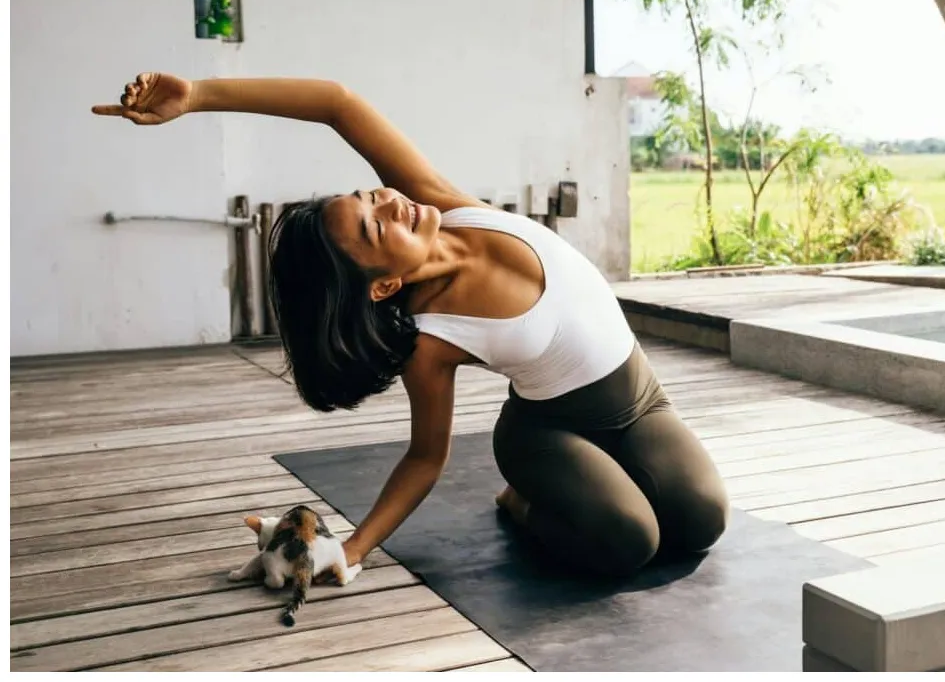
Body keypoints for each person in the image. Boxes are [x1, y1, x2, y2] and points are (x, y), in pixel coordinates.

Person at [93, 73, 729, 578]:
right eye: (377, 226)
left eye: (371, 196)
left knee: (701, 521)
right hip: (548, 434)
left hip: (642, 400)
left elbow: (336, 104)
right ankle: (523, 501)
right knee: (630, 543)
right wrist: (353, 549)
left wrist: (200, 95)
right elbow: (426, 457)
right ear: (384, 284)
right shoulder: (430, 340)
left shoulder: (444, 203)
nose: (390, 202)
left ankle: (589, 488)